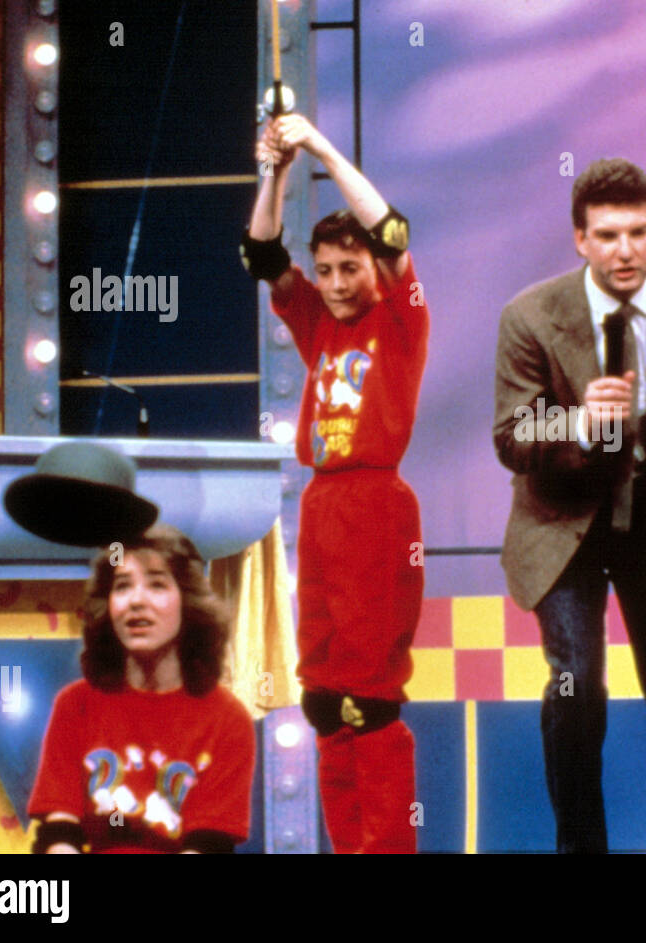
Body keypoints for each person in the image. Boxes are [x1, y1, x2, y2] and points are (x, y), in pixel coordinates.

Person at [493, 158, 646, 853]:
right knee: (576, 686)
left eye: (637, 232)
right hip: (562, 521)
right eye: (606, 235)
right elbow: (512, 434)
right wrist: (575, 423)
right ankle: (581, 846)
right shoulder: (531, 315)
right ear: (579, 240)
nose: (623, 250)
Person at [240, 113, 427, 853]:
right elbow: (260, 250)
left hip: (378, 502)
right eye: (327, 271)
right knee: (322, 693)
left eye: (352, 269)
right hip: (321, 503)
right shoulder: (317, 320)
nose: (340, 284)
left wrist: (318, 146)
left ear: (376, 270)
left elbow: (392, 230)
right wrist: (277, 172)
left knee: (369, 695)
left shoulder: (402, 319)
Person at [28, 525, 254, 853]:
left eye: (157, 584)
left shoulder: (228, 719)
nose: (136, 600)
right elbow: (59, 832)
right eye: (122, 586)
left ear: (187, 603)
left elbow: (208, 845)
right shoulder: (76, 704)